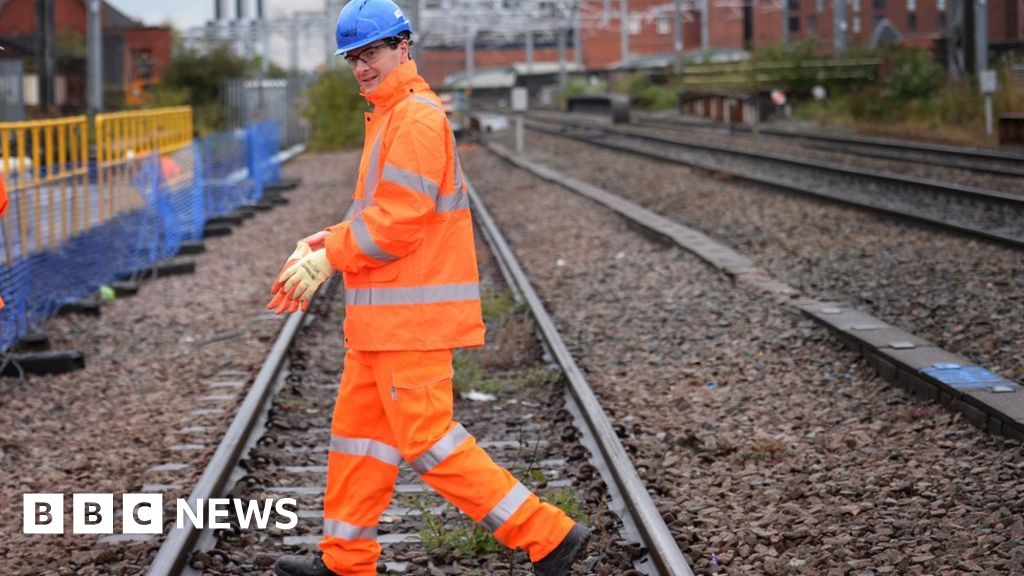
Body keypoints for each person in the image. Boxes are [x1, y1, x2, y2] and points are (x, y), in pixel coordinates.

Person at [268, 1, 591, 575]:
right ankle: (346, 562)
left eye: (372, 53)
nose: (362, 67)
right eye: (353, 58)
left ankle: (548, 534)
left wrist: (333, 257)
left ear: (403, 47)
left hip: (411, 322)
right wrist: (323, 242)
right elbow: (378, 212)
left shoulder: (415, 118)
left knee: (428, 442)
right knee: (358, 442)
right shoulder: (389, 116)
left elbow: (399, 221)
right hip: (379, 324)